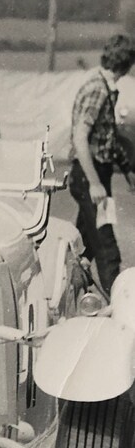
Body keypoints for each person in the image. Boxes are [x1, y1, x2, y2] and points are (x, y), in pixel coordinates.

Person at [68, 33, 135, 297]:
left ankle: (74, 290)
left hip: (99, 175)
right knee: (108, 251)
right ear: (126, 64)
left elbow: (107, 135)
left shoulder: (106, 87)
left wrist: (127, 170)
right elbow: (80, 138)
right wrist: (95, 183)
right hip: (89, 178)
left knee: (85, 246)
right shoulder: (97, 88)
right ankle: (122, 311)